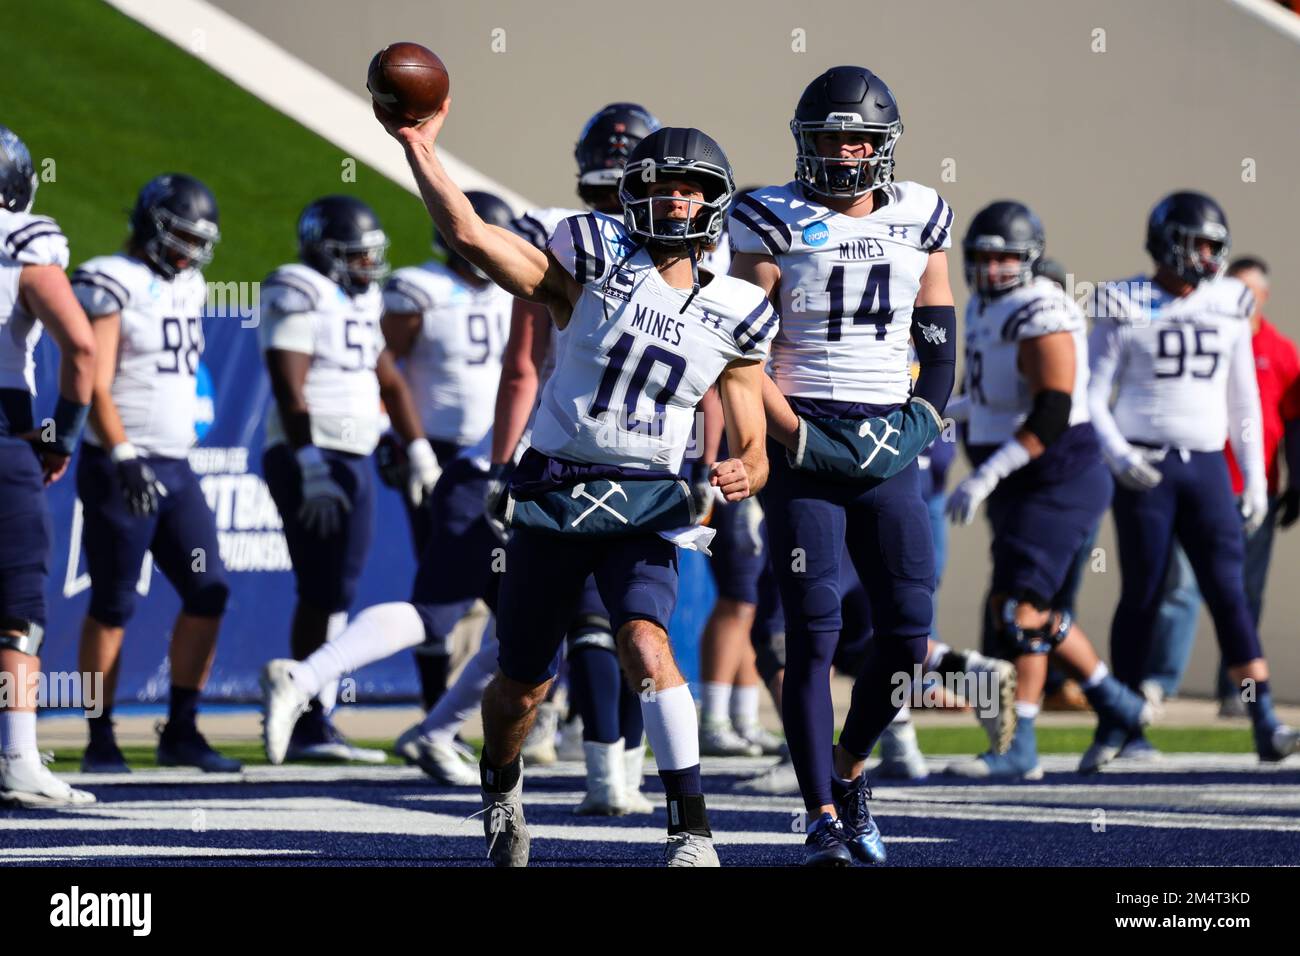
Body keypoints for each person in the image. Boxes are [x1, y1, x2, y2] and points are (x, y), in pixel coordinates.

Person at [377, 95, 776, 866]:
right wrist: (420, 149)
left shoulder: (736, 310)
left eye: (689, 188)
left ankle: (691, 831)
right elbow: (470, 235)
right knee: (522, 682)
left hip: (648, 496)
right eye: (660, 185)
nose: (673, 200)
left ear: (713, 202)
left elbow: (753, 436)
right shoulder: (591, 261)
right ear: (632, 193)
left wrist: (745, 470)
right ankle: (501, 787)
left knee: (645, 643)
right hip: (556, 487)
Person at [729, 65, 957, 865]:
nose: (843, 151)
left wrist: (923, 417)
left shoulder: (922, 212)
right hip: (803, 436)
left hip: (888, 439)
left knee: (908, 638)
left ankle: (851, 767)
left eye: (858, 137)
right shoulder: (767, 215)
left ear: (885, 144)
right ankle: (821, 813)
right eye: (828, 137)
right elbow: (741, 349)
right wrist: (794, 436)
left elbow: (938, 341)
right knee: (811, 636)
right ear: (803, 142)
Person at [941, 200, 1153, 780]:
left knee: (1020, 609)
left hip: (1057, 477)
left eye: (1006, 256)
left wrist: (987, 474)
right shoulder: (989, 304)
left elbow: (1053, 410)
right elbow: (988, 399)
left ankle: (1022, 744)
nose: (991, 267)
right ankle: (1117, 704)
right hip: (1023, 479)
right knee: (1024, 607)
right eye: (982, 256)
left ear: (1030, 259)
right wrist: (934, 413)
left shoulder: (1043, 307)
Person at [1088, 191, 1298, 763]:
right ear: (1166, 242)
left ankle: (1263, 719)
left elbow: (1245, 398)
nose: (1207, 256)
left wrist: (1254, 479)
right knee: (1144, 595)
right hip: (1147, 468)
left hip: (1207, 467)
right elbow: (1091, 395)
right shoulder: (1120, 299)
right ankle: (1121, 725)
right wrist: (1117, 453)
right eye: (1197, 243)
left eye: (1214, 245)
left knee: (1229, 594)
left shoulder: (1231, 299)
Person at [72, 174, 240, 773]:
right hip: (122, 463)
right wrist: (121, 455)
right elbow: (94, 379)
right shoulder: (111, 280)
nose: (190, 253)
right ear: (150, 225)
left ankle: (183, 729)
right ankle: (99, 738)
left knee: (209, 589)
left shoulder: (189, 285)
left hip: (175, 465)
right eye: (181, 237)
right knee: (115, 601)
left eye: (199, 241)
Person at [258, 195, 434, 763]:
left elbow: (390, 380)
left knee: (337, 588)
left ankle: (314, 716)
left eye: (370, 256)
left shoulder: (360, 300)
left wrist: (419, 449)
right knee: (324, 587)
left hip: (352, 454)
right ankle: (308, 715)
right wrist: (307, 462)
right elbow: (289, 385)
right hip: (314, 453)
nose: (366, 266)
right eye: (355, 256)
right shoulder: (297, 287)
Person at [377, 190, 513, 717]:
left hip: (504, 454)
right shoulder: (421, 289)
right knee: (440, 586)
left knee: (517, 590)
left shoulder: (515, 290)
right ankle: (435, 710)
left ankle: (530, 713)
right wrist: (407, 445)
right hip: (438, 453)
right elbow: (384, 369)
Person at [0, 124, 98, 807]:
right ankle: (16, 758)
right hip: (5, 427)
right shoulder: (25, 243)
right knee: (16, 607)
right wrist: (61, 435)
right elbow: (82, 349)